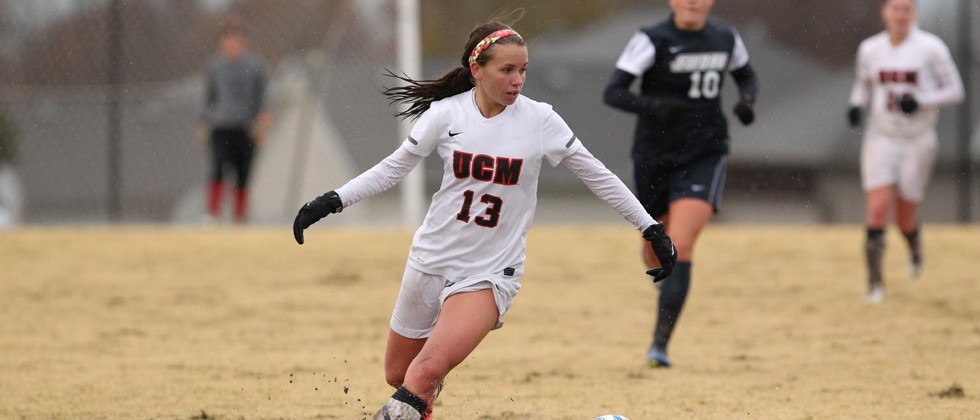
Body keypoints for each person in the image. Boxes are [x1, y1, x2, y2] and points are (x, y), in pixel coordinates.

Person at [292, 17, 677, 420]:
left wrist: (650, 227)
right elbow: (392, 168)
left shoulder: (540, 120)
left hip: (490, 272)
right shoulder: (446, 115)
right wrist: (332, 200)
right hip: (430, 259)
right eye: (507, 70)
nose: (518, 80)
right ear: (477, 70)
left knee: (422, 373)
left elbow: (598, 175)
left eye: (523, 70)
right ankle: (421, 398)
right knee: (399, 375)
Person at [603, 0, 758, 368]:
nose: (692, 2)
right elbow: (614, 91)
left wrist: (747, 100)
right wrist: (653, 105)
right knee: (655, 250)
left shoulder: (725, 38)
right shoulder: (652, 39)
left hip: (705, 153)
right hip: (654, 156)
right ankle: (663, 284)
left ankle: (659, 345)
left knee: (681, 245)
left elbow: (747, 76)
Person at [847, 0, 964, 304]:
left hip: (917, 140)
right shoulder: (870, 49)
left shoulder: (930, 47)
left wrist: (922, 100)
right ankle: (875, 285)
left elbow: (956, 90)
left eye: (906, 9)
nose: (900, 15)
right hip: (881, 137)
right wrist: (856, 106)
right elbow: (863, 86)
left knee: (903, 217)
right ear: (884, 12)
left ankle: (914, 245)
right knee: (876, 208)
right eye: (895, 8)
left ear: (915, 14)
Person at [200, 19, 269, 224]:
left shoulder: (255, 67)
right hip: (220, 127)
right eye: (228, 41)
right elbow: (209, 97)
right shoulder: (214, 67)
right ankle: (212, 215)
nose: (232, 45)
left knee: (243, 174)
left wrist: (262, 122)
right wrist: (204, 121)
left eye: (236, 41)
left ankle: (239, 218)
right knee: (218, 169)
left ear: (243, 43)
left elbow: (262, 97)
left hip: (245, 128)